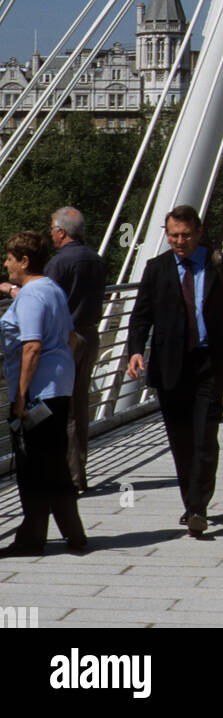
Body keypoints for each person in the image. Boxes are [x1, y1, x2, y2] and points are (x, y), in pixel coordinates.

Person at [126, 205, 223, 537]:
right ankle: (191, 501)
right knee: (181, 439)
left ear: (199, 233)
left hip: (212, 364)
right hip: (170, 367)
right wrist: (136, 350)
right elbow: (141, 315)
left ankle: (198, 506)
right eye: (173, 235)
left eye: (185, 235)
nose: (179, 241)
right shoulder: (156, 269)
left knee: (205, 438)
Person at [0, 232, 87, 557]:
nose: (6, 263)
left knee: (33, 467)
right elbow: (71, 339)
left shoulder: (33, 296)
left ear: (24, 261)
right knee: (53, 464)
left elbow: (32, 347)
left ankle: (31, 538)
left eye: (9, 258)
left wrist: (20, 397)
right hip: (58, 388)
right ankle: (74, 536)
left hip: (38, 395)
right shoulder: (52, 289)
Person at [44, 207, 106, 494]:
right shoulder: (95, 260)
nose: (51, 235)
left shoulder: (59, 263)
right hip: (90, 335)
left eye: (52, 230)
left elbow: (45, 301)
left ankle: (68, 477)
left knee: (62, 407)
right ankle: (79, 472)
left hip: (65, 338)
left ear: (61, 231)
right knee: (80, 405)